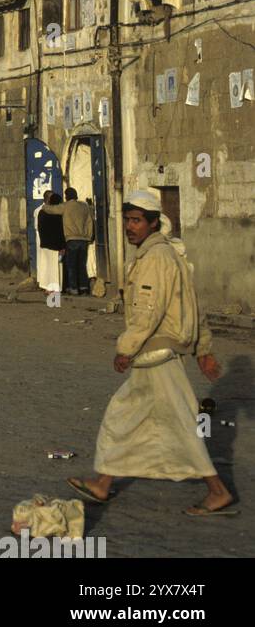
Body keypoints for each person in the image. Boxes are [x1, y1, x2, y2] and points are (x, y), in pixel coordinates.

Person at [68, 188, 236, 517]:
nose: (130, 227)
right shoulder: (165, 254)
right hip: (158, 354)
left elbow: (148, 311)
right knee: (129, 417)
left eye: (136, 221)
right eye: (128, 220)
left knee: (172, 424)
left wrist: (125, 349)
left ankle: (217, 490)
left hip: (156, 353)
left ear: (153, 223)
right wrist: (202, 349)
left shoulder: (156, 258)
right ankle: (103, 482)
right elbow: (193, 303)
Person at [47, 186, 94, 295]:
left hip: (71, 239)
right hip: (83, 240)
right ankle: (84, 287)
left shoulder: (66, 206)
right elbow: (89, 222)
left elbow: (53, 210)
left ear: (67, 196)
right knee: (82, 265)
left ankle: (73, 288)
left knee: (71, 265)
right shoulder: (84, 206)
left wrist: (44, 207)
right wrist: (89, 237)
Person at [34, 190, 65, 295]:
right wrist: (62, 246)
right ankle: (56, 288)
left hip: (45, 243)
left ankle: (49, 287)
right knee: (56, 267)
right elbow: (60, 231)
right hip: (55, 245)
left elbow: (39, 228)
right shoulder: (57, 214)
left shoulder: (41, 212)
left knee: (48, 266)